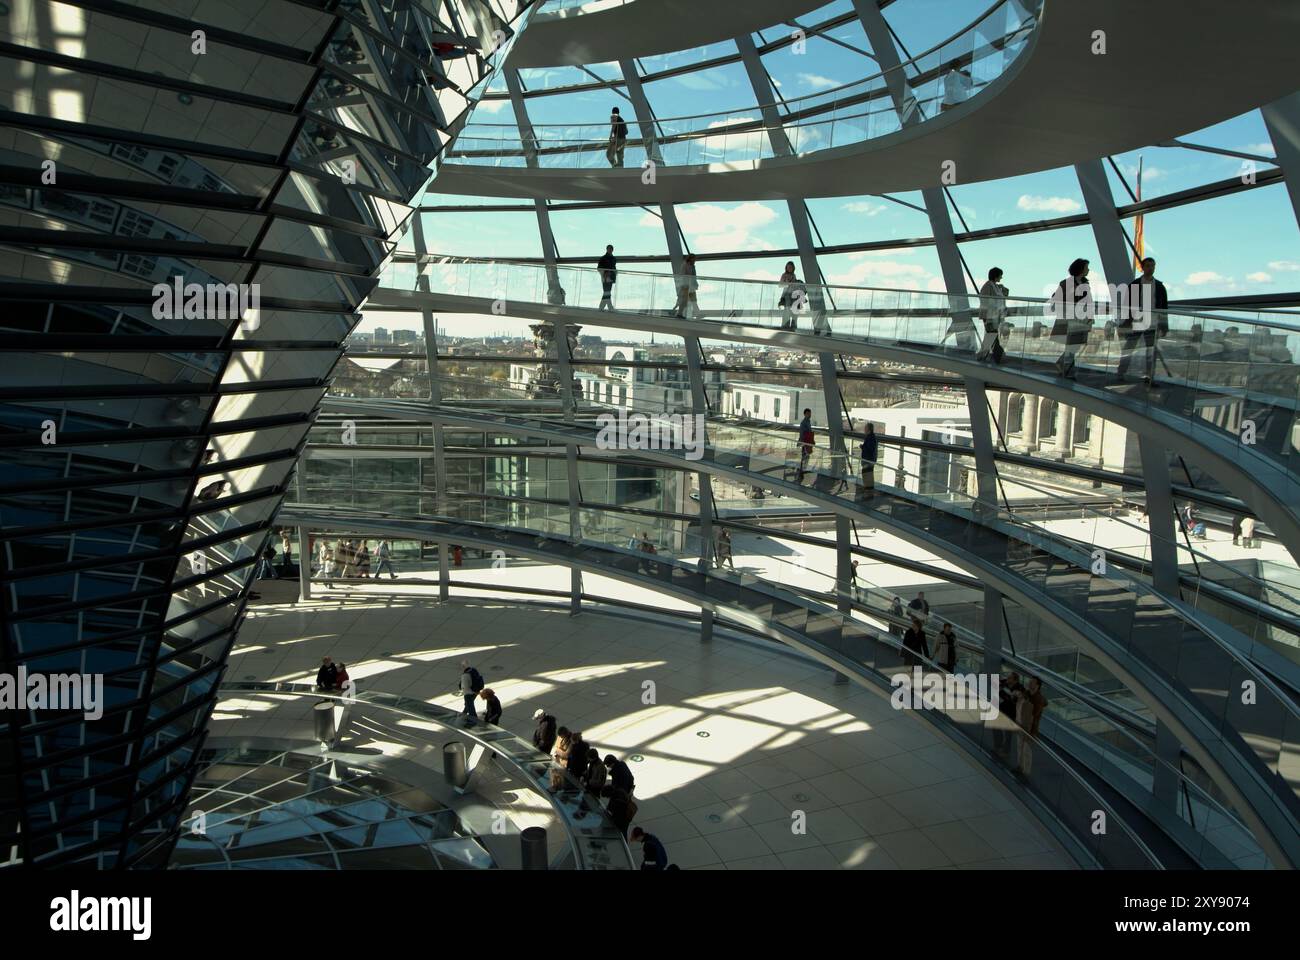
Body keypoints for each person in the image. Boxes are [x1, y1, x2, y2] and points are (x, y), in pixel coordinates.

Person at [1116, 256, 1169, 383]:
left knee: (1150, 352)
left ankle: (1150, 376)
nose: (1151, 268)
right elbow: (1127, 304)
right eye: (1148, 266)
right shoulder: (1135, 284)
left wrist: (1164, 325)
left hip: (1152, 322)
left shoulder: (1159, 287)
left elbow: (1164, 307)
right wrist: (1127, 321)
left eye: (1153, 266)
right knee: (1129, 348)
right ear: (1143, 268)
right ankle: (1121, 373)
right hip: (1137, 322)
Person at [1050, 258, 1094, 379]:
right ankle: (1067, 369)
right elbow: (1055, 298)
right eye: (1086, 267)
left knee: (1075, 345)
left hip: (1081, 319)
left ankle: (1064, 366)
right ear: (1080, 269)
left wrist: (1090, 315)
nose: (1088, 270)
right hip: (1071, 318)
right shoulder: (1067, 283)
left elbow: (1089, 301)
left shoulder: (1085, 284)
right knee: (1072, 345)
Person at [1015, 676, 1048, 778]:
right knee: (1020, 747)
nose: (1029, 683)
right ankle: (1020, 767)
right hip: (1021, 724)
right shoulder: (1027, 694)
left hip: (1030, 729)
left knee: (1027, 751)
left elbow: (1034, 715)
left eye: (1032, 682)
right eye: (1030, 681)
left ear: (1037, 685)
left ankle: (1026, 772)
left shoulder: (1038, 699)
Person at [976, 267, 1008, 362]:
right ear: (996, 275)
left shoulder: (994, 286)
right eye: (1000, 275)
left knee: (991, 336)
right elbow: (986, 300)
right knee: (992, 335)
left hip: (993, 316)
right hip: (989, 316)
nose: (1001, 277)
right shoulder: (988, 286)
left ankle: (985, 356)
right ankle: (997, 356)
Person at [994, 671, 1024, 756]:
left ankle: (1005, 751)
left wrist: (1006, 695)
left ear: (1015, 680)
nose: (1007, 678)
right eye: (1008, 677)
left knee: (1008, 733)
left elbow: (1013, 700)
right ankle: (998, 746)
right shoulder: (1004, 683)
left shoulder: (1019, 688)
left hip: (1011, 713)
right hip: (1001, 710)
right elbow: (999, 690)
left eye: (1010, 678)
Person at [778, 261, 802, 330]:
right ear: (786, 268)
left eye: (791, 267)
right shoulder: (784, 275)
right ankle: (785, 326)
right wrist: (787, 282)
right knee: (787, 310)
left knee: (794, 311)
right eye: (788, 267)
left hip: (793, 294)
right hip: (787, 294)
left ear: (793, 268)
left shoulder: (794, 275)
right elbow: (780, 285)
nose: (789, 268)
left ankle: (793, 326)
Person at [673, 254, 698, 318]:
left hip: (691, 286)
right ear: (690, 258)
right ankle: (680, 314)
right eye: (694, 259)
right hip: (686, 286)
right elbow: (683, 275)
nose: (695, 260)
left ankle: (697, 313)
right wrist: (684, 285)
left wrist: (695, 283)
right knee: (685, 300)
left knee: (694, 300)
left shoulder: (692, 266)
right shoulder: (685, 265)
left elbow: (694, 276)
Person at [459, 660, 482, 725]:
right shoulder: (474, 670)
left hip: (468, 692)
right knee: (469, 704)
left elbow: (464, 686)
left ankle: (474, 720)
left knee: (470, 706)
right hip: (476, 691)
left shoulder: (465, 675)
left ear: (463, 666)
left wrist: (463, 690)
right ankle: (464, 713)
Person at [859, 422, 878, 496]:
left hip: (868, 460)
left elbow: (869, 449)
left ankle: (868, 491)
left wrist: (862, 447)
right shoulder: (872, 437)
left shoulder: (870, 437)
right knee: (868, 474)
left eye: (865, 428)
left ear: (868, 429)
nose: (864, 429)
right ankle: (868, 490)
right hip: (870, 460)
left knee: (867, 474)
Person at [597, 244, 617, 310]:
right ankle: (608, 307)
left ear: (612, 250)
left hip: (610, 278)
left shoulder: (614, 259)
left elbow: (614, 268)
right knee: (607, 292)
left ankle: (602, 307)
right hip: (605, 278)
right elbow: (599, 268)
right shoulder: (603, 258)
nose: (610, 250)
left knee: (607, 292)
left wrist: (613, 275)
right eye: (609, 249)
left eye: (611, 249)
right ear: (607, 249)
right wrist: (605, 273)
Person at [796, 408, 815, 481]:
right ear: (805, 414)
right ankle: (801, 471)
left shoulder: (807, 422)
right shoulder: (804, 423)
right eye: (808, 413)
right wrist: (803, 442)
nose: (810, 415)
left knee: (805, 456)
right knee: (804, 456)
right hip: (805, 442)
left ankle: (801, 470)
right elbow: (802, 433)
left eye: (810, 413)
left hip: (806, 442)